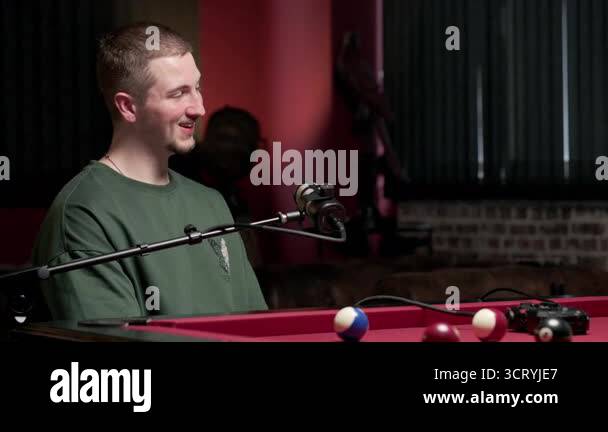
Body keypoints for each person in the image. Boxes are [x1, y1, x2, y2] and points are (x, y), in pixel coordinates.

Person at [31, 22, 268, 321]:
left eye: (196, 87)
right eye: (178, 93)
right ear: (128, 107)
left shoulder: (211, 203)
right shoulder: (82, 214)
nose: (199, 108)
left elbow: (257, 326)